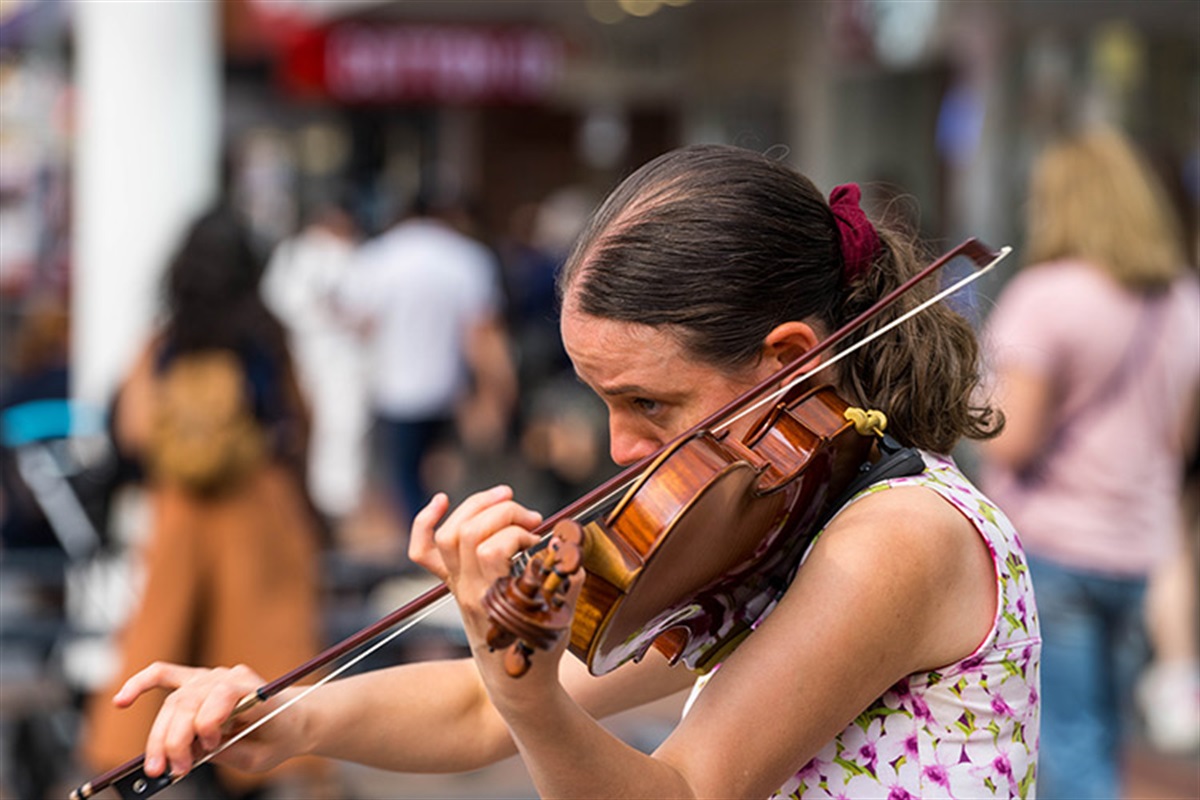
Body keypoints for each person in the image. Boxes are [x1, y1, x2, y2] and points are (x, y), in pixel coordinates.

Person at [106, 145, 1039, 799]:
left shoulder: (893, 537)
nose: (619, 448)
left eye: (649, 403)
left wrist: (525, 690)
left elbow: (680, 790)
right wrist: (285, 718)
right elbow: (478, 710)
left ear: (787, 356)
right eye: (602, 400)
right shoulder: (785, 520)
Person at [79, 204, 333, 799]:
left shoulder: (168, 340)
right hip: (258, 509)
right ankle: (255, 764)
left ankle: (145, 757)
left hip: (180, 513)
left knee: (166, 643)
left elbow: (133, 428)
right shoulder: (266, 336)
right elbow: (297, 424)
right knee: (261, 660)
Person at [976, 128, 1200, 798]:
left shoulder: (1048, 296)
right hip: (1140, 553)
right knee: (1101, 737)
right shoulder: (1182, 301)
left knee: (1067, 748)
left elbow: (1012, 438)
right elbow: (1177, 441)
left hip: (1056, 549)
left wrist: (973, 399)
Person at [335, 192, 516, 531]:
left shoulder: (378, 257)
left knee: (404, 480)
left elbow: (359, 325)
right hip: (450, 389)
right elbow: (483, 335)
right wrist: (494, 397)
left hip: (395, 389)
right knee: (450, 479)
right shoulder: (467, 257)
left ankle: (417, 548)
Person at [261, 198, 370, 534]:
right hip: (323, 360)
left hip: (318, 360)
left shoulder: (296, 254)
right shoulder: (331, 255)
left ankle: (322, 507)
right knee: (333, 431)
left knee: (324, 431)